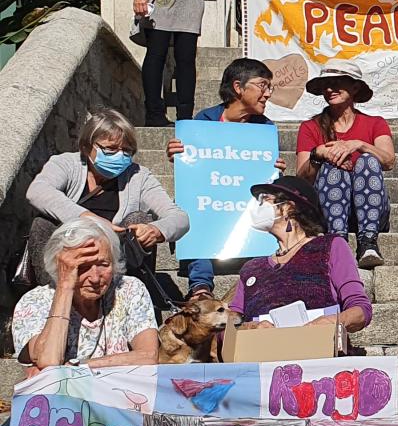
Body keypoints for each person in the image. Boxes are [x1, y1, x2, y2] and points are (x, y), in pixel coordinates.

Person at [26, 109, 188, 290]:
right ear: (87, 147)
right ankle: (51, 295)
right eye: (110, 149)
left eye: (126, 150)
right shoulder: (66, 164)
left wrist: (155, 230)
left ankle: (131, 297)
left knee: (139, 219)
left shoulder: (138, 176)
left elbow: (179, 218)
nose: (119, 155)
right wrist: (89, 218)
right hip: (69, 250)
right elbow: (37, 191)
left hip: (116, 260)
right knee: (41, 224)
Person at [164, 58, 286, 297]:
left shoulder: (265, 128)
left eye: (269, 87)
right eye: (262, 86)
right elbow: (193, 175)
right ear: (238, 87)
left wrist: (274, 169)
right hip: (211, 204)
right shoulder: (204, 122)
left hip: (244, 209)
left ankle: (260, 281)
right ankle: (200, 287)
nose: (267, 94)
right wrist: (178, 156)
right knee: (192, 212)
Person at [11, 218, 159, 372]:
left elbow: (148, 356)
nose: (95, 277)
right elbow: (49, 360)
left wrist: (79, 366)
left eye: (103, 265)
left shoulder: (129, 289)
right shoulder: (34, 302)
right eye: (82, 267)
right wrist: (65, 286)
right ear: (60, 267)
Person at [229, 176, 372, 333]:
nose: (258, 207)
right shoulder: (252, 268)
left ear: (289, 208)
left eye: (265, 199)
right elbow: (227, 327)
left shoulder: (330, 246)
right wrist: (250, 327)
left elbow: (361, 310)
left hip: (320, 352)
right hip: (263, 354)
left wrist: (332, 322)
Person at [295, 63, 396, 269]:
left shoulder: (375, 123)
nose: (330, 89)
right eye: (326, 85)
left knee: (368, 160)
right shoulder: (310, 127)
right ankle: (337, 241)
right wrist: (318, 154)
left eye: (336, 83)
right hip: (329, 208)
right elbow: (301, 178)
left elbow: (389, 161)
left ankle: (368, 241)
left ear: (355, 87)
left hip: (373, 208)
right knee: (334, 164)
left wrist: (359, 145)